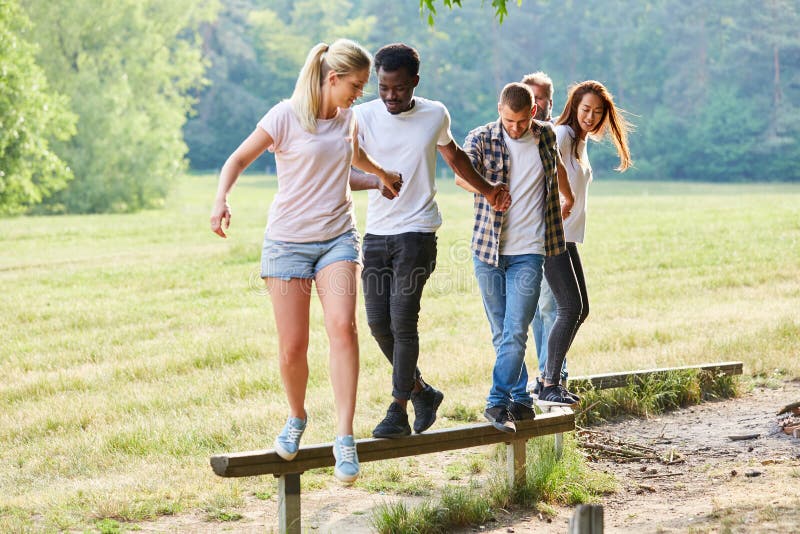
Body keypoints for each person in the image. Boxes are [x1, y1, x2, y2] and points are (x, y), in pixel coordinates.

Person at [209, 39, 402, 483]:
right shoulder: (285, 117)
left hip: (337, 238)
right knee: (293, 346)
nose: (360, 94)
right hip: (287, 244)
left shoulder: (348, 119)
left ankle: (344, 436)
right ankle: (296, 417)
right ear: (332, 78)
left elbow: (348, 164)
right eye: (354, 85)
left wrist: (379, 178)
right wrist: (222, 198)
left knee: (343, 327)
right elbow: (237, 159)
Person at [349, 43, 511, 438]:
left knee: (403, 320)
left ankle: (397, 409)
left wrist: (488, 189)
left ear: (414, 83)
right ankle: (423, 391)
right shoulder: (362, 117)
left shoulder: (434, 113)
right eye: (384, 88)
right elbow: (347, 168)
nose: (390, 96)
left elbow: (455, 156)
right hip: (377, 234)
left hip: (418, 233)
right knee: (377, 324)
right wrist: (376, 180)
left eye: (399, 89)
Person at [457, 83, 582, 433]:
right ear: (499, 108)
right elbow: (460, 175)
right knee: (501, 332)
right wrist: (487, 189)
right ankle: (522, 401)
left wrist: (567, 196)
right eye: (510, 120)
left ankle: (497, 404)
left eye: (522, 121)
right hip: (488, 251)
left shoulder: (544, 135)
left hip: (529, 252)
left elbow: (556, 164)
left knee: (515, 332)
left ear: (533, 114)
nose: (516, 128)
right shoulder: (481, 137)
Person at [548, 80, 633, 371]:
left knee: (581, 309)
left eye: (597, 111)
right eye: (586, 109)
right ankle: (548, 381)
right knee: (570, 307)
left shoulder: (579, 141)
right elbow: (539, 178)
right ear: (574, 107)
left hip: (568, 236)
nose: (590, 116)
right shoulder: (561, 135)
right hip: (552, 234)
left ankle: (551, 378)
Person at [520, 71, 567, 397]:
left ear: (550, 102)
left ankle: (556, 375)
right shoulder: (522, 136)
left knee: (552, 307)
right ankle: (545, 373)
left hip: (550, 237)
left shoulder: (554, 134)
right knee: (536, 310)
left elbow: (563, 179)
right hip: (525, 239)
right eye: (530, 99)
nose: (536, 106)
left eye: (541, 100)